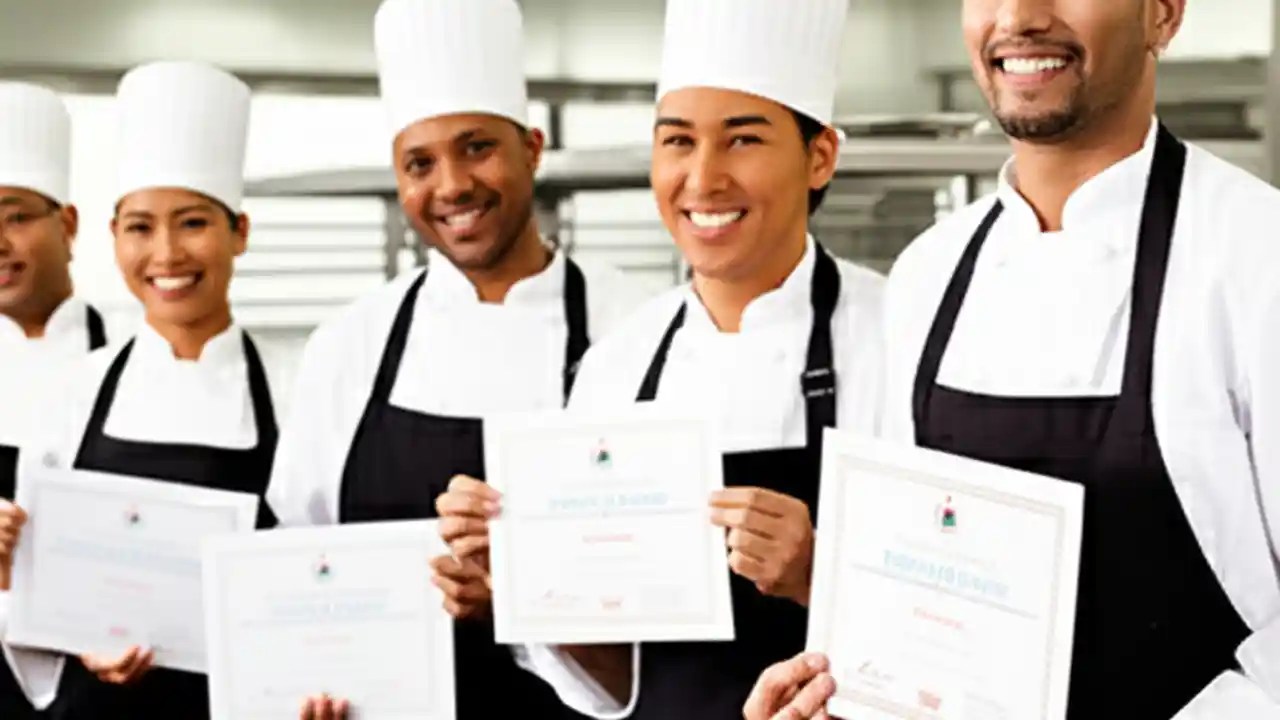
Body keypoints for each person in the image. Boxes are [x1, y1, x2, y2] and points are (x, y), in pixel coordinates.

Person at [755, 0, 1280, 718]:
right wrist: (846, 697)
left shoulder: (1258, 254)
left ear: (1161, 15)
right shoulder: (928, 274)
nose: (1021, 16)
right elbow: (914, 594)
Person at [432, 0, 885, 718]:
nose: (702, 180)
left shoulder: (895, 341)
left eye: (742, 141)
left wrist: (815, 575)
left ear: (820, 156)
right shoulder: (619, 366)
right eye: (677, 142)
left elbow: (955, 641)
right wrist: (524, 579)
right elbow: (616, 684)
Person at [266, 1, 643, 718]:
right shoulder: (349, 345)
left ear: (533, 148)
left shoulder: (633, 328)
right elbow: (301, 555)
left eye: (477, 147)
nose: (451, 186)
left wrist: (521, 595)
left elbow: (654, 577)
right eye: (420, 163)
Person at [7, 60, 281, 719]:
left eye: (192, 222)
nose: (166, 254)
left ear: (239, 232)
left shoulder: (293, 392)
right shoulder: (72, 391)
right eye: (140, 226)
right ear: (111, 236)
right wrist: (69, 636)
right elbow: (32, 596)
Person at [0, 81, 107, 720]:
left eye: (15, 216)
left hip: (99, 685)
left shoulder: (124, 370)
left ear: (67, 224)